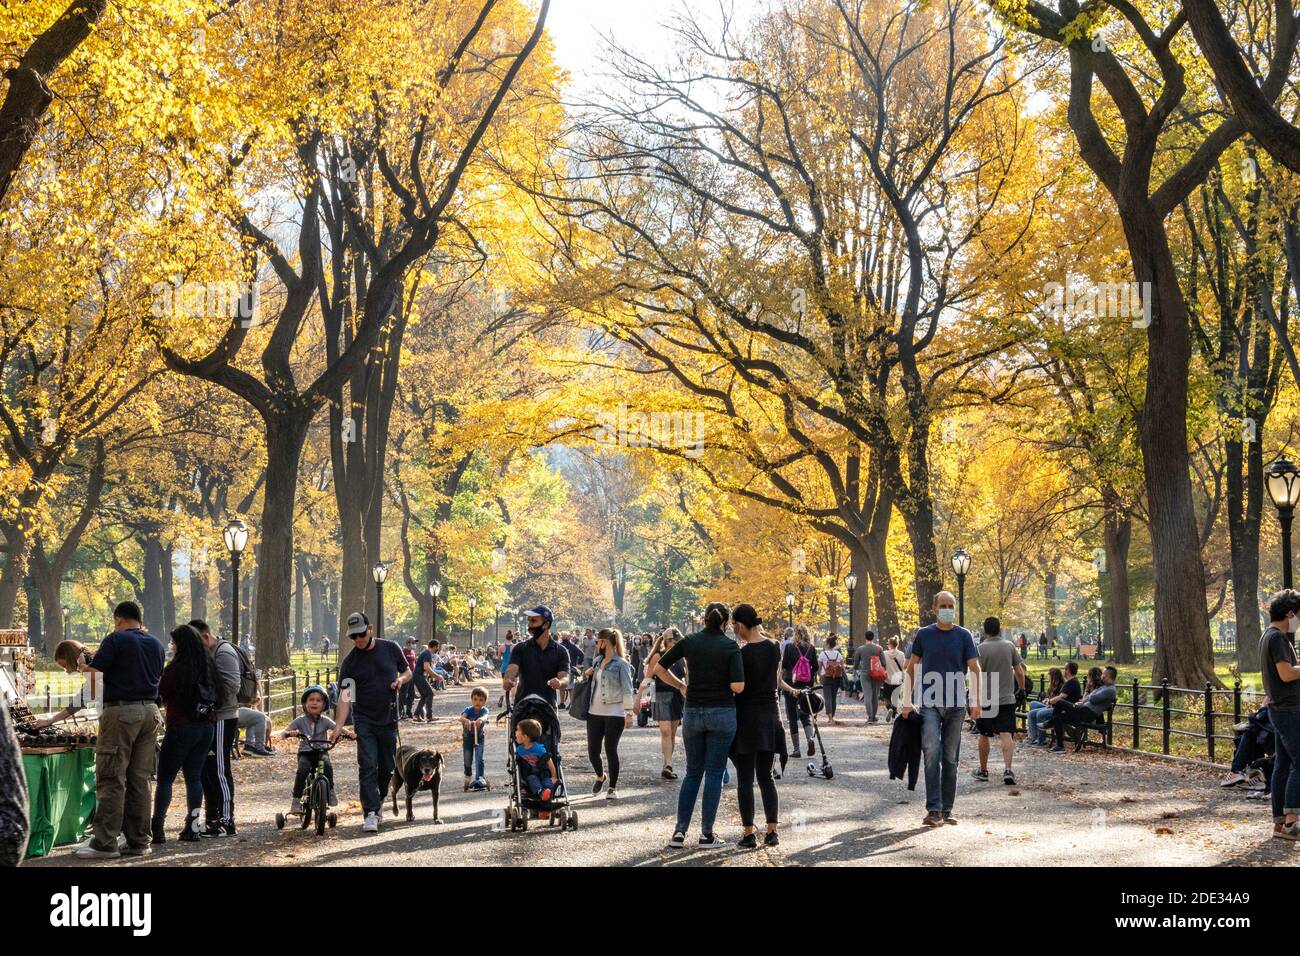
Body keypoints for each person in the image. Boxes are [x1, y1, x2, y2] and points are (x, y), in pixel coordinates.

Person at [75, 601, 165, 859]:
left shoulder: (116, 639)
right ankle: (138, 841)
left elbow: (96, 672)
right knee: (140, 778)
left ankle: (105, 842)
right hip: (151, 712)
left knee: (112, 776)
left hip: (122, 712)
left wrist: (82, 665)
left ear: (119, 620)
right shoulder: (156, 644)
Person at [652, 602, 744, 849]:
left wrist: (681, 686)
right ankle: (706, 834)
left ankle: (679, 832)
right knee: (714, 773)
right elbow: (738, 686)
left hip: (693, 710)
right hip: (722, 712)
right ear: (725, 623)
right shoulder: (730, 646)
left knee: (693, 772)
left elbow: (657, 669)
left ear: (704, 619)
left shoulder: (690, 641)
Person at [900, 591, 981, 828]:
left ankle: (947, 809)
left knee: (950, 758)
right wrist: (907, 700)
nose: (947, 609)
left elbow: (975, 668)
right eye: (943, 605)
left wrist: (976, 701)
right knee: (932, 752)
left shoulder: (964, 636)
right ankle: (933, 809)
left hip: (956, 705)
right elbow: (911, 668)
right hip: (930, 704)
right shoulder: (924, 635)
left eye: (951, 605)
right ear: (934, 609)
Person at [329, 610, 410, 833]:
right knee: (367, 767)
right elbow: (345, 699)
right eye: (353, 637)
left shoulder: (390, 648)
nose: (358, 640)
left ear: (370, 629)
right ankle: (371, 812)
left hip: (388, 718)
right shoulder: (350, 663)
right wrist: (338, 727)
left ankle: (380, 798)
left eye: (361, 634)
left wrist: (400, 680)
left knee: (387, 767)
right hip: (363, 720)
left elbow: (407, 671)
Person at [730, 604, 791, 849]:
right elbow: (776, 679)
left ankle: (748, 834)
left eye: (735, 625)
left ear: (741, 625)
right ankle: (772, 831)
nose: (734, 629)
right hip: (770, 714)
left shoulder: (740, 654)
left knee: (745, 777)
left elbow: (738, 687)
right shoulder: (774, 646)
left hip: (746, 716)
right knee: (766, 775)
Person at [151, 624, 217, 845]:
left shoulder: (175, 669)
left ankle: (158, 828)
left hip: (180, 727)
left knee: (166, 779)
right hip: (205, 728)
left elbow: (160, 695)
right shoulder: (208, 668)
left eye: (173, 642)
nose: (171, 645)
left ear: (181, 644)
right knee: (194, 778)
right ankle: (193, 827)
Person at [194, 619, 242, 838]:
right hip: (211, 718)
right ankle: (212, 817)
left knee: (220, 769)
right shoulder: (208, 653)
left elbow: (232, 686)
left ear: (205, 637)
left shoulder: (223, 652)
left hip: (223, 717)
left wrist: (209, 699)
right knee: (207, 769)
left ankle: (225, 820)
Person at [1261, 589, 1300, 839]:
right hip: (1289, 710)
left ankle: (1279, 822)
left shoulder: (1268, 635)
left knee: (1283, 765)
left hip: (1280, 708)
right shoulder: (1278, 639)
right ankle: (1292, 822)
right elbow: (1285, 674)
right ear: (1290, 613)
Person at [502, 606, 570, 740]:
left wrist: (559, 682)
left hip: (547, 706)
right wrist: (508, 680)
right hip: (523, 705)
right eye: (528, 621)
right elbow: (512, 669)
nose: (529, 625)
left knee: (547, 746)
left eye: (533, 621)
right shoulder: (521, 648)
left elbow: (565, 678)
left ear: (546, 624)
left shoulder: (560, 651)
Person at [584, 628, 635, 800]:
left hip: (615, 712)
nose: (596, 644)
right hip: (594, 711)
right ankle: (600, 776)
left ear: (606, 642)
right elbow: (592, 684)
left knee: (610, 749)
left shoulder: (622, 664)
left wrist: (629, 714)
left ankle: (612, 788)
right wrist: (587, 674)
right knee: (592, 751)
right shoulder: (597, 661)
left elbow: (628, 690)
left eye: (598, 641)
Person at [972, 617, 1025, 786]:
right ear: (999, 629)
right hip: (1006, 697)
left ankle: (983, 769)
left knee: (984, 734)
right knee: (1006, 733)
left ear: (985, 630)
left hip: (986, 697)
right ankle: (1008, 769)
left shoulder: (980, 649)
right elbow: (1019, 671)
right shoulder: (1009, 646)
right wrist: (1022, 689)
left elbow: (975, 674)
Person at [284, 686, 348, 815]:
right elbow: (285, 731)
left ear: (324, 704)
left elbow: (338, 728)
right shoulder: (300, 721)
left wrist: (350, 734)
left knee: (328, 766)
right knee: (303, 770)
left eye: (318, 700)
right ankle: (296, 799)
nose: (314, 702)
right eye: (311, 700)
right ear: (305, 703)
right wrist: (290, 733)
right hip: (305, 752)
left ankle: (330, 791)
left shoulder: (325, 721)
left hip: (321, 751)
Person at [641, 627, 686, 779]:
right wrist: (639, 700)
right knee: (665, 731)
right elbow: (648, 679)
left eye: (678, 641)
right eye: (674, 641)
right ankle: (668, 765)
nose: (676, 643)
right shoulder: (658, 656)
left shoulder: (682, 657)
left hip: (677, 697)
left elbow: (686, 678)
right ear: (667, 641)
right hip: (661, 695)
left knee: (672, 733)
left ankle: (667, 763)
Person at [29, 640, 102, 729]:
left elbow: (79, 702)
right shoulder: (94, 663)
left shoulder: (93, 666)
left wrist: (50, 721)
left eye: (65, 666)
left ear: (71, 658)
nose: (67, 671)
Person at [1048, 665, 1117, 752]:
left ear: (1107, 676)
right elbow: (1090, 697)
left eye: (1103, 674)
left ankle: (1050, 723)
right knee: (1058, 718)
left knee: (1059, 702)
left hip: (1087, 714)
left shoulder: (1110, 690)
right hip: (1082, 710)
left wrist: (1090, 695)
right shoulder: (1104, 687)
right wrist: (1090, 695)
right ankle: (1060, 746)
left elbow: (1092, 698)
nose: (1101, 676)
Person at [781, 624, 817, 757]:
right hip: (805, 685)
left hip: (791, 684)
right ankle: (810, 739)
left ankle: (796, 749)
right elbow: (816, 667)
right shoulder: (811, 648)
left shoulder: (790, 647)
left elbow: (784, 665)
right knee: (805, 714)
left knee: (792, 716)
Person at [515, 718, 556, 800]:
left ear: (525, 736)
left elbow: (549, 762)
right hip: (530, 775)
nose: (515, 733)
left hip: (543, 774)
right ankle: (542, 794)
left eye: (517, 730)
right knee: (532, 779)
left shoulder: (539, 749)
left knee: (548, 784)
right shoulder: (519, 750)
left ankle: (547, 801)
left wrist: (554, 776)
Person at [1026, 667, 1066, 745]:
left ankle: (1040, 739)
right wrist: (1046, 700)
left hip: (1055, 708)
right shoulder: (1051, 686)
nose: (1048, 676)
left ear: (1053, 676)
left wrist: (1050, 702)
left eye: (1049, 674)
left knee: (1035, 713)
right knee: (1033, 703)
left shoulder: (1061, 686)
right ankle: (1034, 736)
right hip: (1049, 706)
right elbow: (1049, 698)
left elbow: (1059, 700)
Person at [461, 687, 490, 790]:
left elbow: (485, 716)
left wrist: (481, 719)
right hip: (468, 737)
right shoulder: (468, 710)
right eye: (475, 699)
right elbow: (462, 717)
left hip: (479, 737)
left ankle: (480, 777)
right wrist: (466, 721)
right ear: (472, 699)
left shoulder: (484, 710)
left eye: (481, 700)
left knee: (479, 757)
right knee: (467, 758)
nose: (478, 702)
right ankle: (468, 775)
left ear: (485, 701)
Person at [854, 631, 884, 722]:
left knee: (867, 695)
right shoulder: (879, 648)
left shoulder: (860, 649)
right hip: (877, 674)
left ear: (865, 637)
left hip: (864, 674)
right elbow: (884, 662)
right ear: (873, 637)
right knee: (875, 695)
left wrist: (858, 669)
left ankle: (870, 716)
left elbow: (856, 663)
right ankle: (874, 716)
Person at [818, 634, 846, 723]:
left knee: (827, 697)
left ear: (828, 644)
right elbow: (842, 666)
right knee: (833, 698)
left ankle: (829, 717)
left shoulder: (823, 654)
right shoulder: (838, 654)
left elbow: (819, 667)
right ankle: (832, 716)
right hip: (836, 678)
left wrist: (819, 675)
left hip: (826, 677)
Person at [412, 639, 437, 721]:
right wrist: (436, 676)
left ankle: (416, 715)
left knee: (424, 695)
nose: (438, 649)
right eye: (437, 647)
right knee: (430, 693)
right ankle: (429, 716)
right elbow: (426, 667)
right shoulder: (427, 654)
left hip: (417, 676)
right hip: (419, 676)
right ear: (434, 647)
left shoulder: (426, 653)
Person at [882, 636, 907, 720]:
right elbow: (904, 667)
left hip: (887, 679)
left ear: (890, 645)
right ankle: (893, 716)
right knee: (895, 698)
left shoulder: (885, 653)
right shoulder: (901, 654)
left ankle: (889, 708)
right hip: (898, 680)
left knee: (886, 697)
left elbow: (882, 665)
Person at [400, 639, 418, 718]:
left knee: (412, 694)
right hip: (405, 676)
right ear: (408, 643)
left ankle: (408, 711)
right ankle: (400, 711)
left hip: (413, 676)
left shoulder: (413, 652)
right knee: (403, 694)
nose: (414, 644)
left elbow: (414, 662)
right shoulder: (403, 651)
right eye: (413, 643)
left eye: (415, 643)